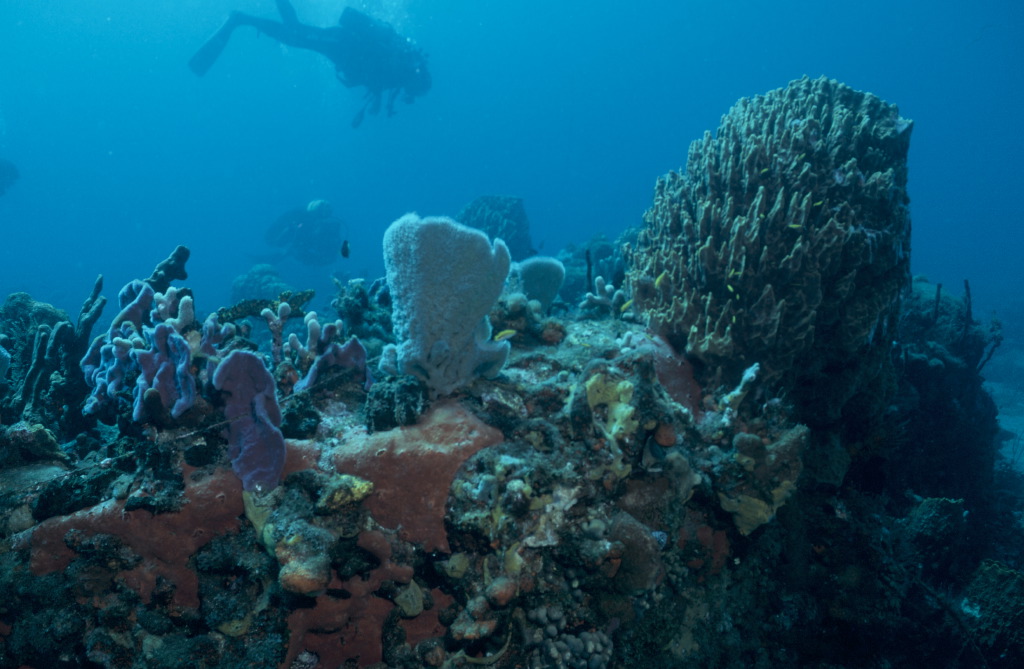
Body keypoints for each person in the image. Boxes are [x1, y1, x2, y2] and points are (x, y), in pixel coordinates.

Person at [189, 0, 430, 127]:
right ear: (417, 82)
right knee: (296, 33)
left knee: (296, 35)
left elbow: (375, 75)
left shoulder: (399, 73)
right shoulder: (401, 69)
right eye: (416, 91)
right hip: (342, 43)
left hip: (342, 51)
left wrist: (376, 99)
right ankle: (241, 19)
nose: (411, 94)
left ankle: (241, 19)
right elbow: (376, 67)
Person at [264, 199, 344, 266]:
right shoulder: (299, 219)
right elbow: (274, 238)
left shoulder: (311, 220)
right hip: (290, 243)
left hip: (305, 248)